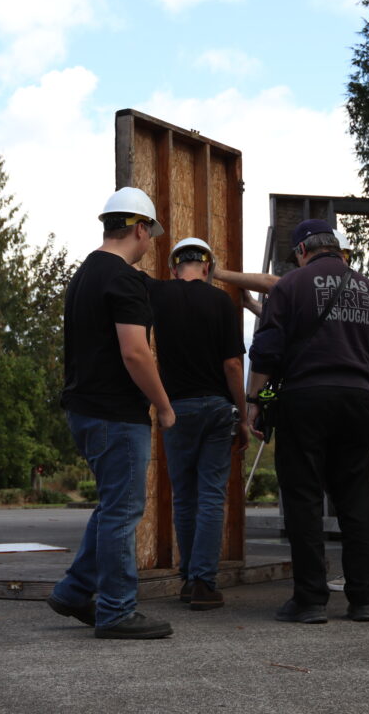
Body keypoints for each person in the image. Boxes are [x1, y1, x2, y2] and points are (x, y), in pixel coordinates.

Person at [214, 228, 369, 592]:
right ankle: (363, 598)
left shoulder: (291, 285)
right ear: (338, 250)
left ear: (301, 251)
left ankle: (310, 600)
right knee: (356, 501)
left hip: (304, 398)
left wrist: (253, 404)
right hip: (356, 399)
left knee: (303, 499)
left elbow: (267, 349)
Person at [47, 186, 176, 640]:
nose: (149, 244)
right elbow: (136, 353)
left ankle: (73, 591)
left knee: (111, 509)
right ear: (140, 228)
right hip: (116, 414)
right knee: (122, 512)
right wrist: (163, 405)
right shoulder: (124, 279)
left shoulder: (85, 274)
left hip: (86, 410)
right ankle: (118, 610)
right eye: (150, 235)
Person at [147, 237, 248, 611]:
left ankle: (189, 578)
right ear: (207, 268)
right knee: (210, 496)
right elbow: (233, 366)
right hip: (217, 410)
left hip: (177, 410)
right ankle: (204, 583)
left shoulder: (159, 295)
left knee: (184, 498)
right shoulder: (221, 302)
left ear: (174, 268)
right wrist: (243, 415)